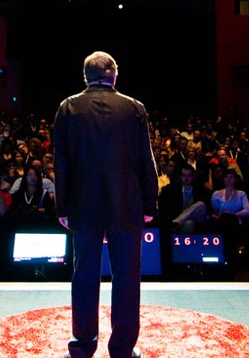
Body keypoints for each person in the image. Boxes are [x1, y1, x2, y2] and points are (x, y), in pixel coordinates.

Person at [53, 51, 158, 358]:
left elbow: (62, 162)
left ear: (86, 75)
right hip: (127, 202)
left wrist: (63, 207)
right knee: (127, 277)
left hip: (83, 206)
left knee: (84, 275)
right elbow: (145, 159)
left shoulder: (68, 107)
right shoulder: (134, 107)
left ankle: (83, 346)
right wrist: (149, 203)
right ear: (114, 74)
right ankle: (122, 349)